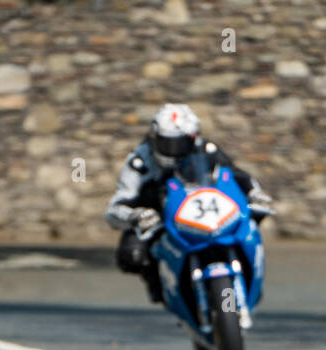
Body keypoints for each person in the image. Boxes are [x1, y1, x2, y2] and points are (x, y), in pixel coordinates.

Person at [104, 102, 272, 303]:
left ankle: (248, 279)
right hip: (156, 214)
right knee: (132, 254)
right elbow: (116, 207)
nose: (173, 152)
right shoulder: (139, 162)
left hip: (201, 208)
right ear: (155, 137)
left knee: (251, 222)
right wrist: (135, 216)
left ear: (192, 139)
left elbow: (237, 176)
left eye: (180, 145)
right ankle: (162, 288)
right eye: (167, 144)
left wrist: (255, 193)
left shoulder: (206, 149)